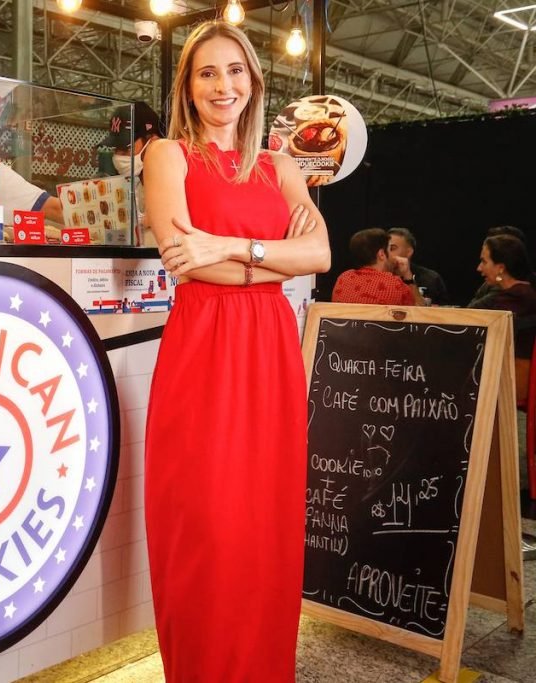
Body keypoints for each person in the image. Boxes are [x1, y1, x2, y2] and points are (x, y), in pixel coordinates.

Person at [142, 21, 330, 682]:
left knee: (264, 529)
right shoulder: (166, 156)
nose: (224, 86)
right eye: (207, 73)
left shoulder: (279, 164)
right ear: (187, 87)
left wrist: (226, 246)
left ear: (254, 81)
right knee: (208, 530)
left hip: (270, 351)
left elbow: (321, 254)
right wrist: (272, 262)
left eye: (235, 71)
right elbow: (182, 263)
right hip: (203, 349)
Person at [468, 234, 536, 369]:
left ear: (500, 268)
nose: (479, 268)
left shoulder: (517, 298)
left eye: (484, 261)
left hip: (516, 374)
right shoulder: (519, 293)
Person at [100, 102, 163, 246]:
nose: (118, 156)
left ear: (153, 141)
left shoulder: (177, 181)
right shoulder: (129, 186)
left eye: (126, 148)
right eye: (116, 148)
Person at [331, 228, 425, 305]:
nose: (393, 256)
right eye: (390, 249)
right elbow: (420, 312)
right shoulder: (396, 285)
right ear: (381, 254)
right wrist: (408, 276)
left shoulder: (343, 278)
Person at [387, 227, 448, 305]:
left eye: (392, 248)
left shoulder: (430, 278)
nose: (387, 253)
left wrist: (408, 277)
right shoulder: (377, 276)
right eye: (385, 249)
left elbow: (442, 312)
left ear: (409, 252)